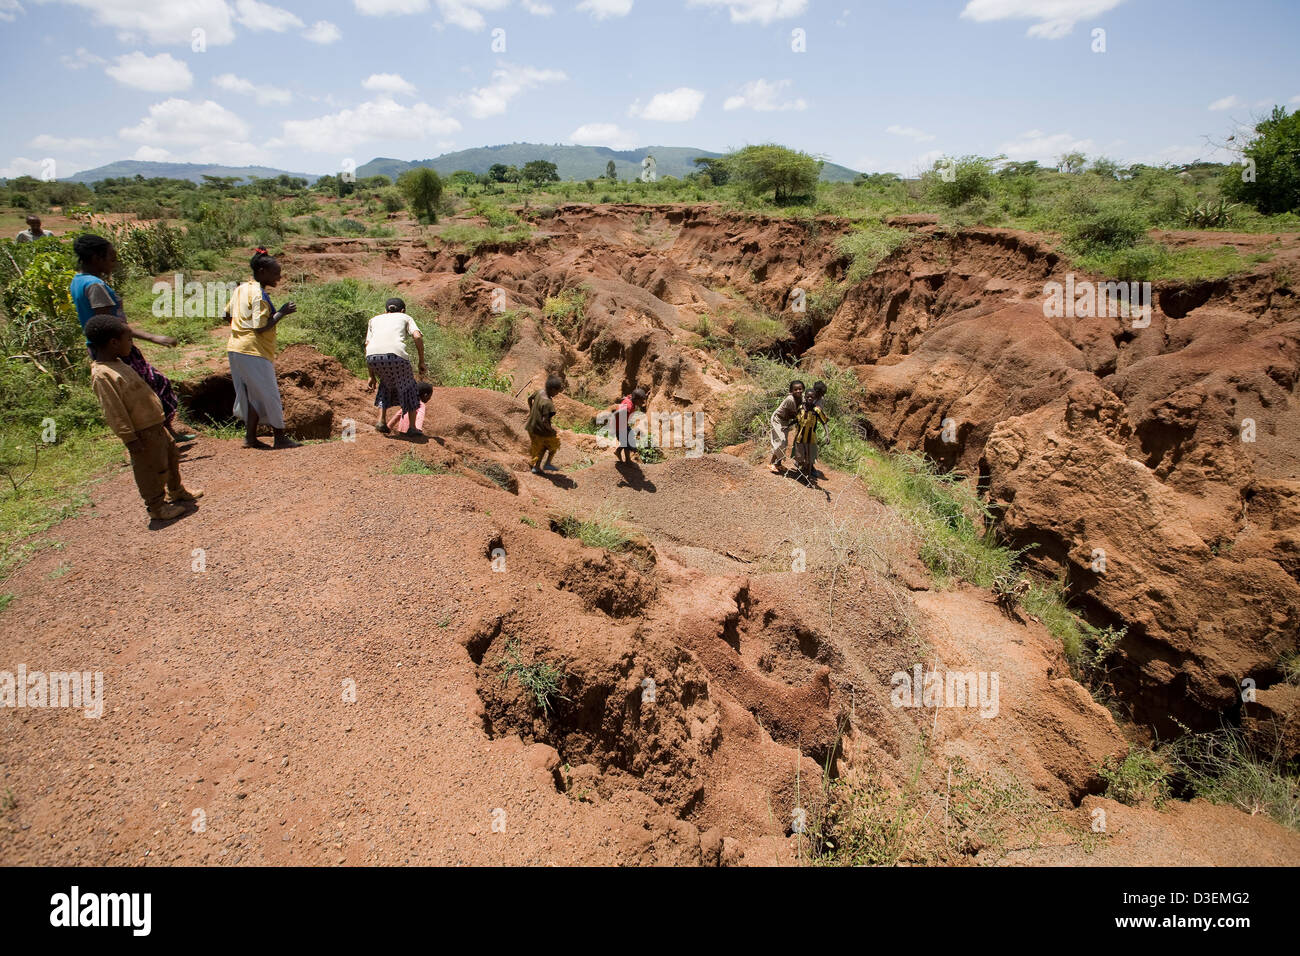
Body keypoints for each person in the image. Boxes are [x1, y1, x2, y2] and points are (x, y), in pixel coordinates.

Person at [69, 235, 194, 443]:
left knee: (148, 387)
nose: (114, 263)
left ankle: (165, 434)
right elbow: (110, 325)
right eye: (111, 257)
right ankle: (158, 439)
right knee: (153, 388)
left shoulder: (78, 280)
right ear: (95, 258)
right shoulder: (95, 286)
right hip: (115, 348)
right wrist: (154, 337)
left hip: (104, 348)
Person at [85, 315, 203, 524]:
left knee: (171, 457)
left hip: (155, 424)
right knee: (151, 469)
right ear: (114, 343)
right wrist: (130, 438)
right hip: (142, 431)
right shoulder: (103, 374)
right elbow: (114, 410)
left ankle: (176, 491)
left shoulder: (119, 363)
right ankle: (156, 507)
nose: (131, 344)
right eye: (128, 340)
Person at [224, 248, 300, 450]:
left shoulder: (241, 289)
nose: (279, 277)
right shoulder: (258, 295)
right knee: (269, 393)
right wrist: (282, 312)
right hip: (253, 350)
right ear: (262, 271)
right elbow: (260, 327)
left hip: (235, 347)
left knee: (251, 394)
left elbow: (226, 315)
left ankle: (250, 438)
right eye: (276, 273)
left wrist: (240, 324)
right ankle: (280, 437)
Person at [365, 297, 426, 437]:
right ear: (403, 310)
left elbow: (367, 345)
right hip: (396, 355)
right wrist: (421, 361)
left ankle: (381, 421)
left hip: (372, 357)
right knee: (410, 386)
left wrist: (371, 375)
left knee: (385, 384)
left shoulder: (374, 320)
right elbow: (417, 337)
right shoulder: (405, 317)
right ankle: (412, 427)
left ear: (385, 311)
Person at [525, 375, 564, 475]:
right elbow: (545, 421)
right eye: (557, 391)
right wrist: (551, 430)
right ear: (552, 389)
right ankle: (546, 464)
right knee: (554, 444)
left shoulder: (539, 392)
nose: (557, 393)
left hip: (531, 426)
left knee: (539, 446)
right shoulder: (548, 403)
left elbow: (529, 398)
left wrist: (531, 410)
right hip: (540, 429)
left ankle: (535, 466)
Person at [791, 383, 828, 483]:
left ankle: (807, 474)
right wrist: (789, 425)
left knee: (810, 458)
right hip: (800, 434)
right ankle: (800, 473)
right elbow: (797, 418)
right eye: (808, 397)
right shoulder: (801, 407)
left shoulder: (817, 408)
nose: (810, 398)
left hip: (811, 436)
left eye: (813, 397)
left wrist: (827, 434)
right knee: (799, 455)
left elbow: (824, 420)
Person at [769, 379, 805, 474]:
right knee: (781, 441)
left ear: (803, 389)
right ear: (791, 391)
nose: (798, 391)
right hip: (778, 419)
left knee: (784, 443)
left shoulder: (802, 399)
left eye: (800, 389)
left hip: (785, 422)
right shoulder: (790, 399)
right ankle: (772, 463)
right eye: (795, 389)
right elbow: (794, 414)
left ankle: (778, 464)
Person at [610, 386, 648, 464]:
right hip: (619, 427)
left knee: (630, 440)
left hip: (623, 425)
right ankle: (628, 460)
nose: (642, 403)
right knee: (627, 443)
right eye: (641, 401)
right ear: (636, 400)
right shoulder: (629, 406)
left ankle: (618, 451)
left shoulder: (630, 399)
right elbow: (618, 412)